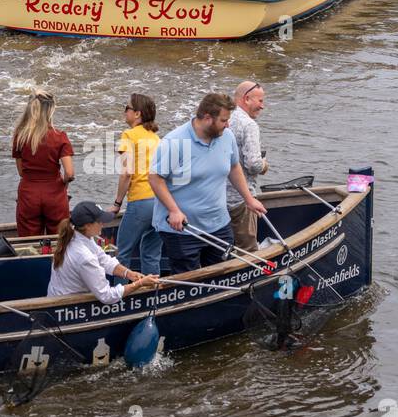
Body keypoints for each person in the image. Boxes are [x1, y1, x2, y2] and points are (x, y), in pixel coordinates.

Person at [148, 92, 266, 273]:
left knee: (222, 274)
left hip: (219, 224)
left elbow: (234, 167)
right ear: (207, 118)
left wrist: (249, 199)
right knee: (189, 283)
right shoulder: (175, 142)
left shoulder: (227, 137)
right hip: (182, 229)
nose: (228, 125)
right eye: (224, 120)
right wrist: (174, 210)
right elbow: (155, 178)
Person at [47, 202, 158, 304]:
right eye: (99, 221)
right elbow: (107, 296)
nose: (103, 224)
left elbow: (104, 260)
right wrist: (139, 284)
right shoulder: (84, 256)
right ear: (87, 225)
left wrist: (129, 274)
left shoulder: (79, 236)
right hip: (68, 308)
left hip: (58, 298)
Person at [12, 90, 75, 237]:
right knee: (59, 241)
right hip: (54, 194)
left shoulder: (20, 136)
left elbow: (21, 172)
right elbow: (70, 173)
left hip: (28, 193)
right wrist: (64, 182)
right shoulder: (59, 137)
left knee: (29, 243)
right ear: (50, 110)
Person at [113, 93, 163, 275]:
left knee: (121, 256)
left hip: (140, 202)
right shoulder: (157, 139)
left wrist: (117, 203)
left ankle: (119, 298)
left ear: (137, 114)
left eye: (127, 108)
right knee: (151, 254)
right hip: (160, 202)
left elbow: (126, 173)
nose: (124, 111)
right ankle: (153, 297)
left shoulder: (128, 135)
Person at [226, 81, 269, 252]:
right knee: (248, 251)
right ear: (246, 99)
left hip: (218, 198)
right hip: (242, 200)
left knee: (225, 250)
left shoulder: (225, 119)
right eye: (260, 101)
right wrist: (265, 165)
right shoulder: (249, 125)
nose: (262, 106)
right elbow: (253, 164)